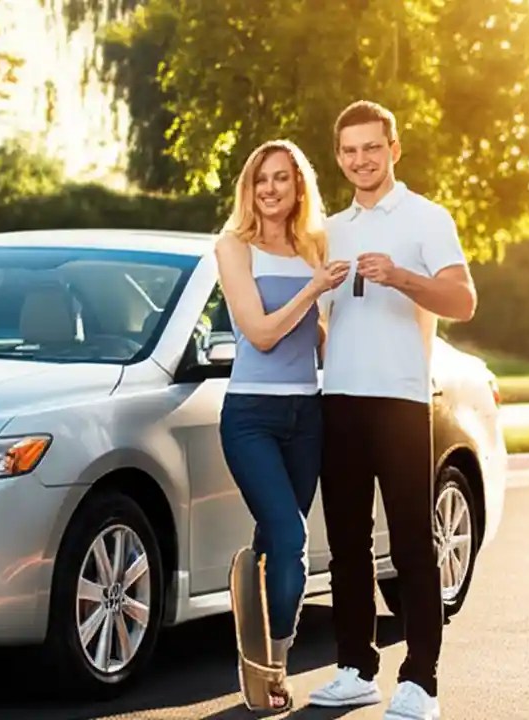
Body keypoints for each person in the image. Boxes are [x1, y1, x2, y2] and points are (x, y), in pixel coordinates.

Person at [306, 101, 477, 720]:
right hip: (340, 399)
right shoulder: (329, 228)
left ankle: (422, 683)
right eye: (349, 151)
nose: (360, 160)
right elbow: (322, 324)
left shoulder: (428, 219)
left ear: (393, 149)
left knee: (411, 544)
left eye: (371, 148)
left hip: (403, 400)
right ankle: (355, 667)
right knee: (347, 545)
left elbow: (463, 300)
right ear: (339, 156)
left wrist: (404, 277)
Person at [214, 139, 349, 710]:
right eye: (261, 179)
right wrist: (315, 291)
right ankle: (274, 666)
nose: (271, 189)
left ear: (299, 189)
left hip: (306, 413)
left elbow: (312, 342)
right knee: (292, 538)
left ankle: (263, 660)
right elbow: (263, 335)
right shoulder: (233, 246)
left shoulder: (311, 247)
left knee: (274, 541)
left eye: (283, 180)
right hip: (251, 415)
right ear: (250, 187)